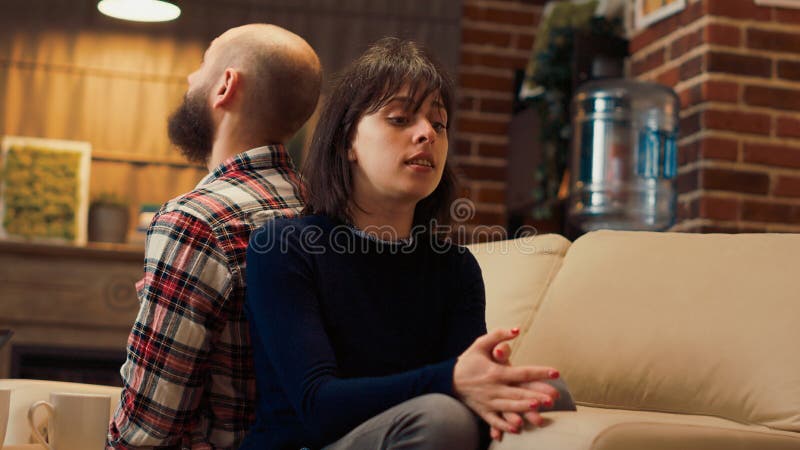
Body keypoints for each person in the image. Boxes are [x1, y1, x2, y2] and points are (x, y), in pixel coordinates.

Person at [242, 37, 561, 450]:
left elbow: (473, 391)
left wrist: (489, 386)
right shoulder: (285, 246)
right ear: (347, 142)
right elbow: (317, 406)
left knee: (549, 396)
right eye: (399, 119)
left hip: (416, 432)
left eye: (439, 124)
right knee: (443, 419)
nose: (427, 133)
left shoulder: (454, 267)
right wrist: (452, 379)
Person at [107, 24, 322, 449]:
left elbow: (147, 430)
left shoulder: (197, 223)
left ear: (226, 85)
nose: (191, 77)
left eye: (203, 63)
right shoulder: (322, 211)